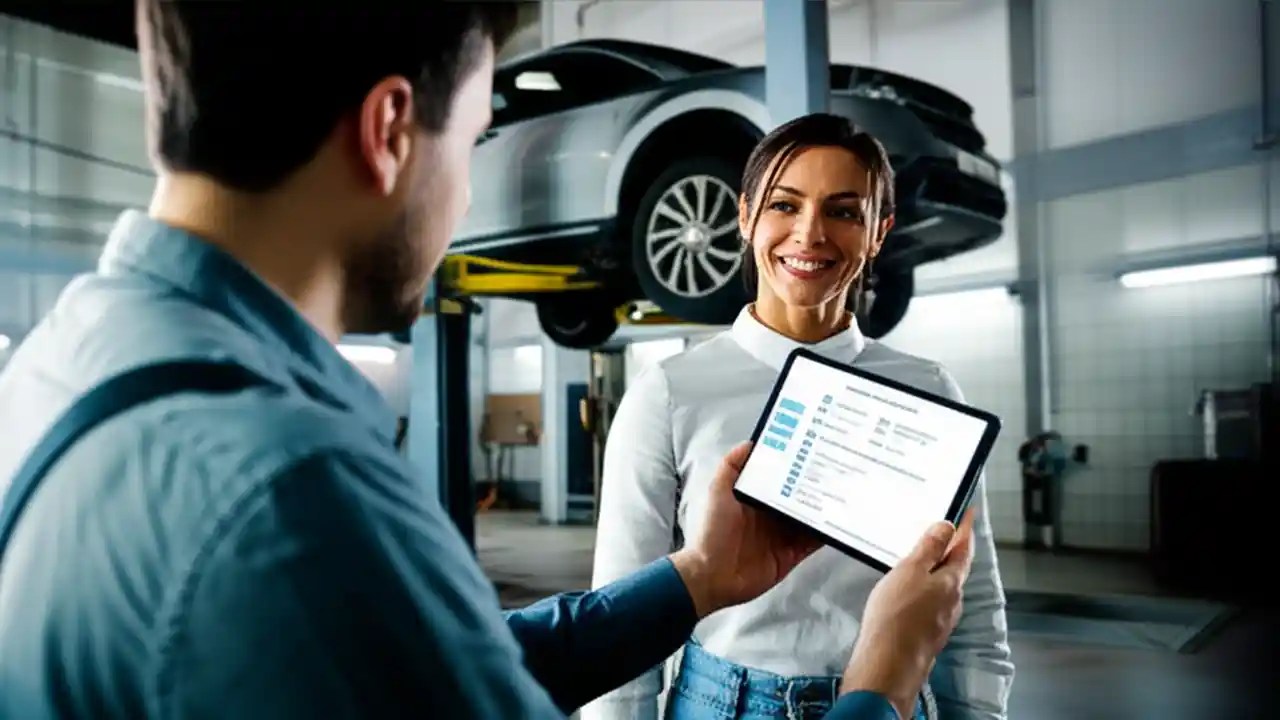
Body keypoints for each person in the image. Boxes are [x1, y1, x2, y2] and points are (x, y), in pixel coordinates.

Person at [0, 4, 969, 719]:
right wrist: (879, 688)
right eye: (469, 140)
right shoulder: (292, 488)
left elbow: (420, 666)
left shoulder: (62, 367)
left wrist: (692, 579)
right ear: (389, 135)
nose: (465, 200)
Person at [582, 114, 1015, 720]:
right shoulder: (671, 392)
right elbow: (621, 619)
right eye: (784, 205)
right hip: (722, 704)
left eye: (844, 211)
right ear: (745, 217)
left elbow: (969, 600)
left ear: (878, 233)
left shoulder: (929, 389)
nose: (809, 234)